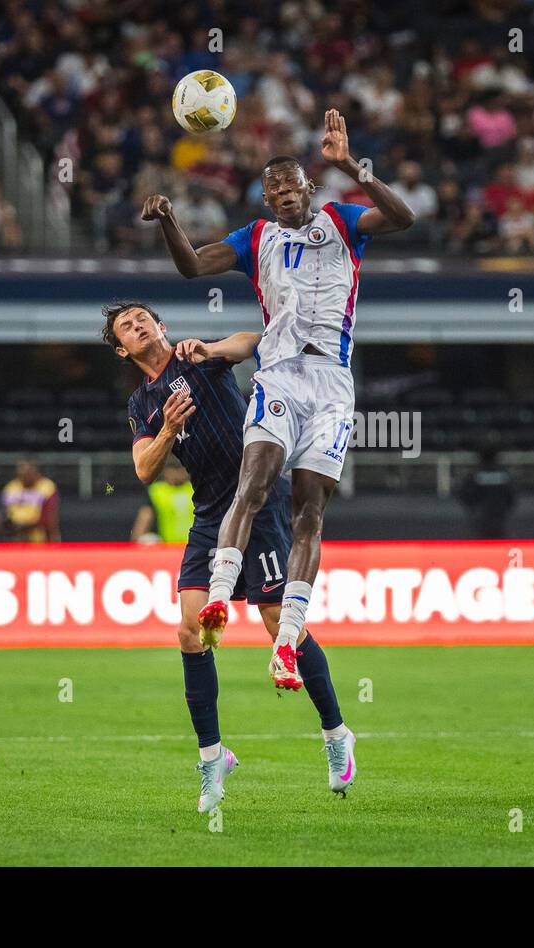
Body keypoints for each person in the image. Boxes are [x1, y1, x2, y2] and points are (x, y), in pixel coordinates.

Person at [141, 108, 415, 691]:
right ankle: (218, 600)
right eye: (273, 188)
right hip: (280, 376)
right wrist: (168, 220)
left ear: (308, 187)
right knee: (255, 480)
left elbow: (404, 216)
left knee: (309, 509)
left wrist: (353, 166)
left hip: (334, 387)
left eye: (292, 184)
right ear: (265, 198)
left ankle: (287, 639)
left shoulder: (344, 221)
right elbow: (191, 267)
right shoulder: (255, 239)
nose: (284, 193)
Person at [103, 301, 355, 811]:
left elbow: (258, 342)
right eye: (125, 326)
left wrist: (214, 347)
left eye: (142, 317)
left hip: (257, 500)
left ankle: (336, 735)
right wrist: (169, 429)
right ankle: (213, 757)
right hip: (210, 515)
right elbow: (143, 469)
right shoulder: (140, 404)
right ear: (120, 349)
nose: (136, 325)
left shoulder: (198, 356)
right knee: (189, 632)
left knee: (276, 621)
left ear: (161, 325)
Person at [0, 459, 60, 542]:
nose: (24, 477)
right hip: (16, 537)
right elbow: (5, 511)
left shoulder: (46, 486)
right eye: (21, 474)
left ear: (35, 472)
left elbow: (50, 518)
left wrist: (25, 526)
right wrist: (1, 521)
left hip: (40, 539)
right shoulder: (11, 487)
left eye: (27, 474)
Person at [131, 459, 194, 543]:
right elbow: (145, 517)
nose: (178, 473)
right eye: (173, 469)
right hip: (167, 548)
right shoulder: (157, 491)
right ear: (165, 471)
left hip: (193, 545)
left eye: (181, 469)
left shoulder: (195, 489)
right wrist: (135, 542)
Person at [458, 448, 516, 538]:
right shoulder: (504, 475)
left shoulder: (474, 475)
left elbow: (464, 495)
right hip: (498, 518)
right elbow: (512, 496)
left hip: (481, 518)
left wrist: (472, 509)